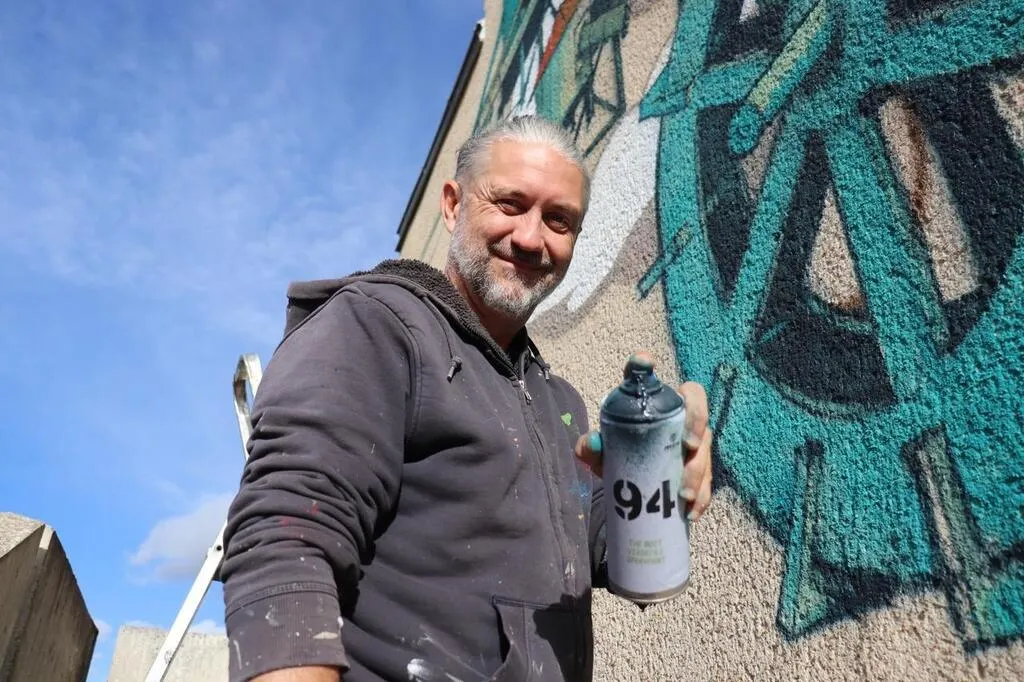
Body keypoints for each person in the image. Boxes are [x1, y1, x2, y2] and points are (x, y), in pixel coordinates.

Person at [220, 115, 714, 682]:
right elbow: (285, 535)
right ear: (453, 205)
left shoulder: (558, 399)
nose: (531, 238)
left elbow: (611, 557)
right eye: (509, 204)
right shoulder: (379, 326)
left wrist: (659, 492)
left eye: (559, 220)